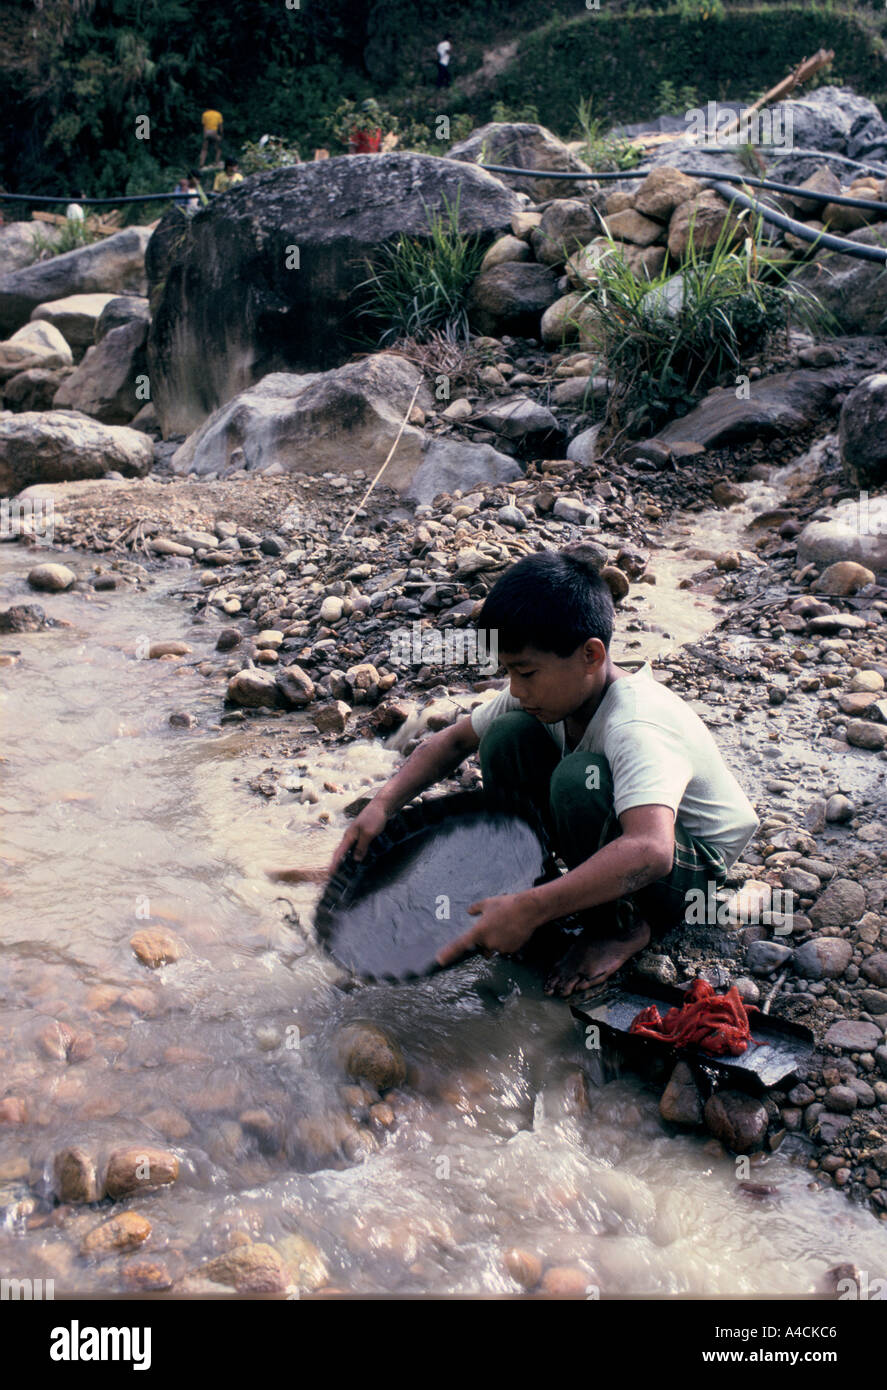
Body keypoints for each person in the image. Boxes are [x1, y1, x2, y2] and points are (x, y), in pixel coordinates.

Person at [330, 548, 759, 996]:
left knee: (578, 781)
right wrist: (381, 806)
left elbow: (652, 850)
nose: (516, 687)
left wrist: (531, 909)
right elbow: (453, 741)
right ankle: (540, 895)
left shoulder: (636, 722)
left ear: (591, 655)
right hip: (633, 838)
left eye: (526, 672)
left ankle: (623, 929)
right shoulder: (548, 691)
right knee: (506, 736)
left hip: (691, 867)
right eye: (509, 672)